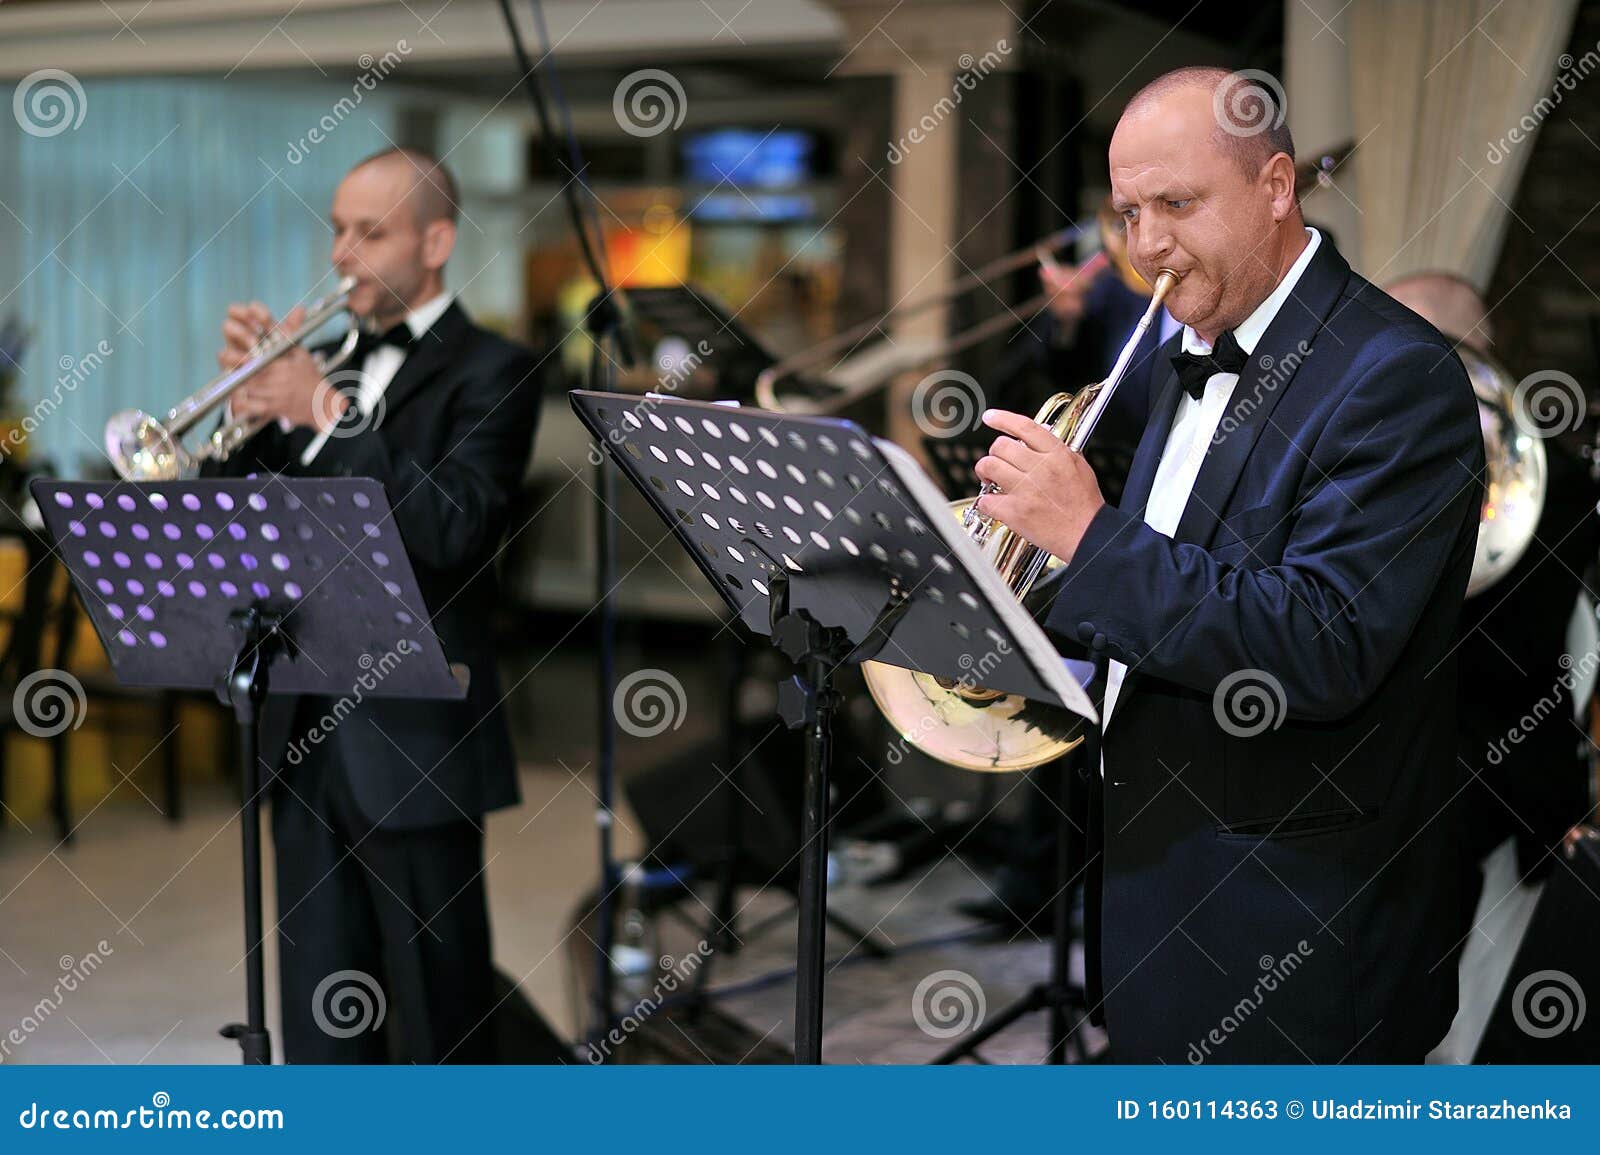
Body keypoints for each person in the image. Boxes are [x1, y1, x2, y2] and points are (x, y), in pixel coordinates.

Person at [973, 66, 1484, 1062]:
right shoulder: (1189, 343)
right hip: (1157, 885)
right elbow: (1175, 588)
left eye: (1177, 203)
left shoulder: (1396, 374)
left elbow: (1321, 645)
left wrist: (1089, 536)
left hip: (1299, 927)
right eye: (1127, 211)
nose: (1146, 243)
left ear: (1277, 188)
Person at [205, 146, 546, 1062]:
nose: (343, 254)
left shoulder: (495, 369)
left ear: (435, 241)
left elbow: (456, 529)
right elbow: (238, 520)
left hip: (418, 738)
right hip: (301, 729)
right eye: (337, 230)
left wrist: (327, 415)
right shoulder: (318, 364)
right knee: (320, 1015)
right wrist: (245, 418)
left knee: (441, 1018)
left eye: (371, 232)